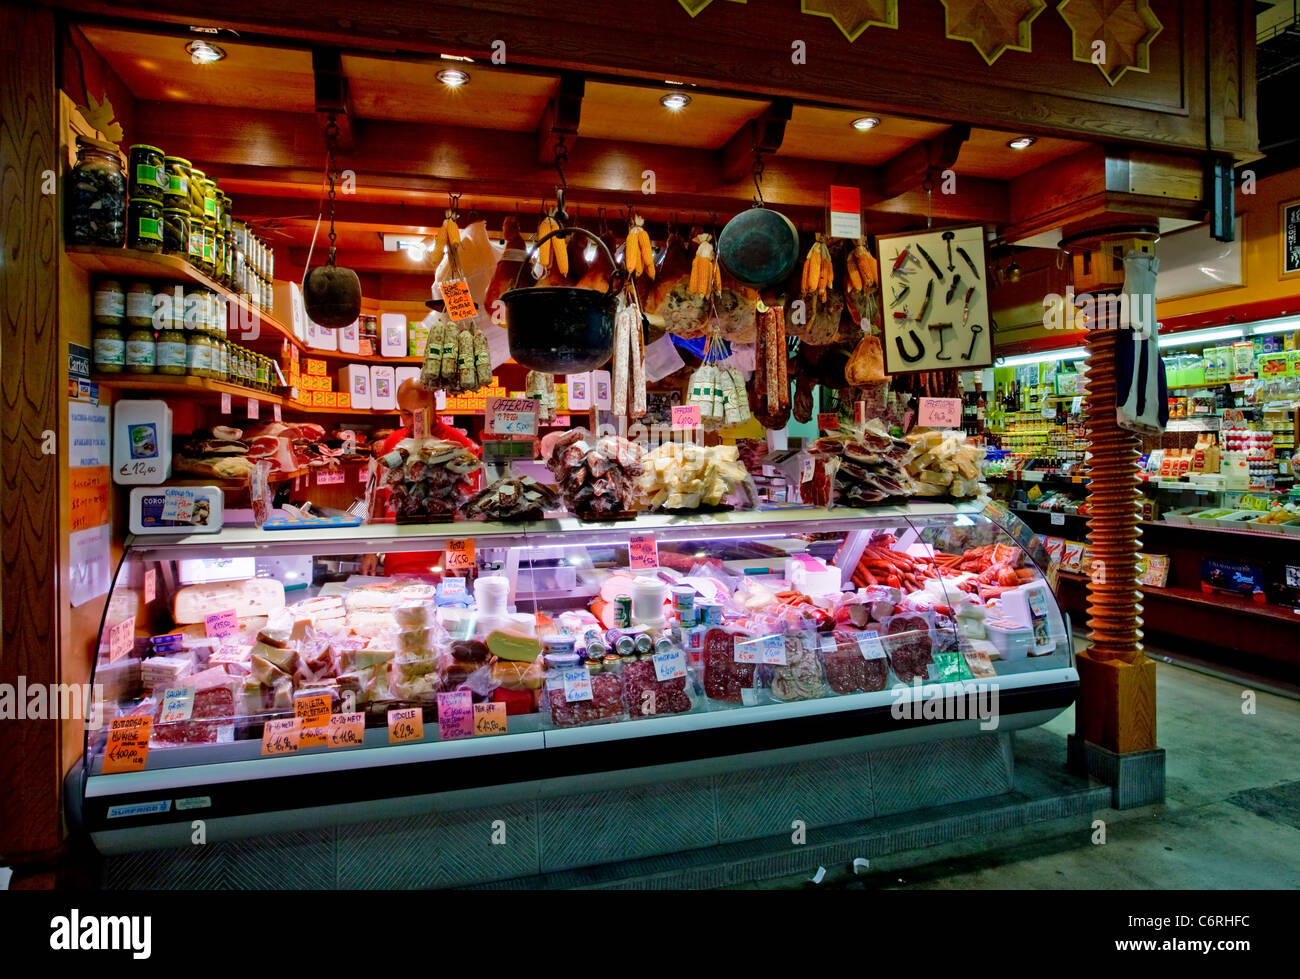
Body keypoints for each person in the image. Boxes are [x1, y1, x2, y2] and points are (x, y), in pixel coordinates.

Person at [360, 379, 482, 577]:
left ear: (434, 406)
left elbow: (470, 508)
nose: (413, 420)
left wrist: (455, 553)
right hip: (400, 556)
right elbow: (380, 499)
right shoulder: (393, 442)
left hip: (445, 560)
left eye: (421, 412)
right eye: (406, 413)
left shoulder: (457, 444)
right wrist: (371, 549)